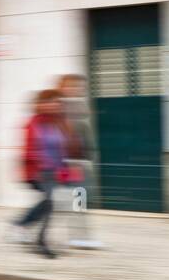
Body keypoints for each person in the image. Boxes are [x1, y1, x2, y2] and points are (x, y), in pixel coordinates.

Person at [9, 89, 69, 258]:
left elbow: (62, 149)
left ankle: (21, 223)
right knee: (49, 204)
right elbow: (28, 151)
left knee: (48, 203)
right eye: (51, 101)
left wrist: (64, 168)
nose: (55, 105)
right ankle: (41, 242)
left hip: (55, 172)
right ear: (41, 104)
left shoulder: (57, 123)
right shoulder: (32, 124)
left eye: (58, 102)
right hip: (39, 172)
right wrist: (43, 164)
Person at [57, 74, 103, 249]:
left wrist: (89, 155)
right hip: (65, 162)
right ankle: (25, 226)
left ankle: (79, 236)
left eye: (79, 86)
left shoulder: (79, 106)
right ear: (63, 87)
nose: (76, 89)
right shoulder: (59, 107)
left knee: (78, 200)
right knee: (66, 201)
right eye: (71, 86)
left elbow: (84, 132)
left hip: (78, 162)